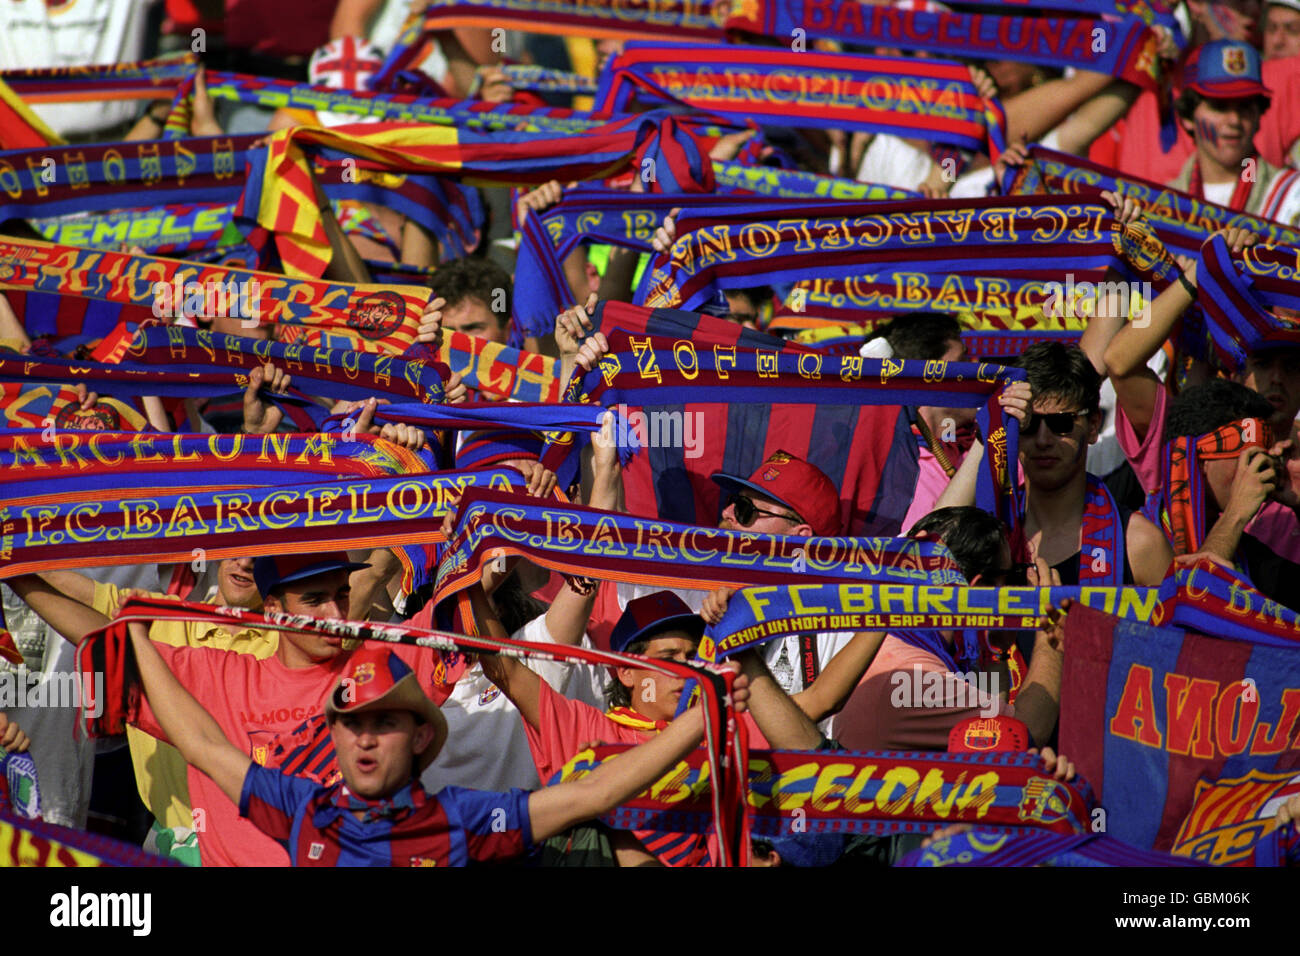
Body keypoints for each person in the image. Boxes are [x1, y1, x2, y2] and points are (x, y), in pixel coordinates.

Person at [128, 630, 751, 866]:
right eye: (350, 724)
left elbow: (599, 791)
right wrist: (135, 632)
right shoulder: (301, 808)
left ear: (423, 735)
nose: (365, 737)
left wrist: (702, 719)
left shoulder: (459, 818)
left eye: (385, 722)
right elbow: (203, 742)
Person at [1167, 39, 1300, 223]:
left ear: (1259, 113)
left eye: (1245, 107)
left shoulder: (1292, 196)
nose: (1234, 120)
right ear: (1187, 117)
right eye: (1219, 107)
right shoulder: (1164, 204)